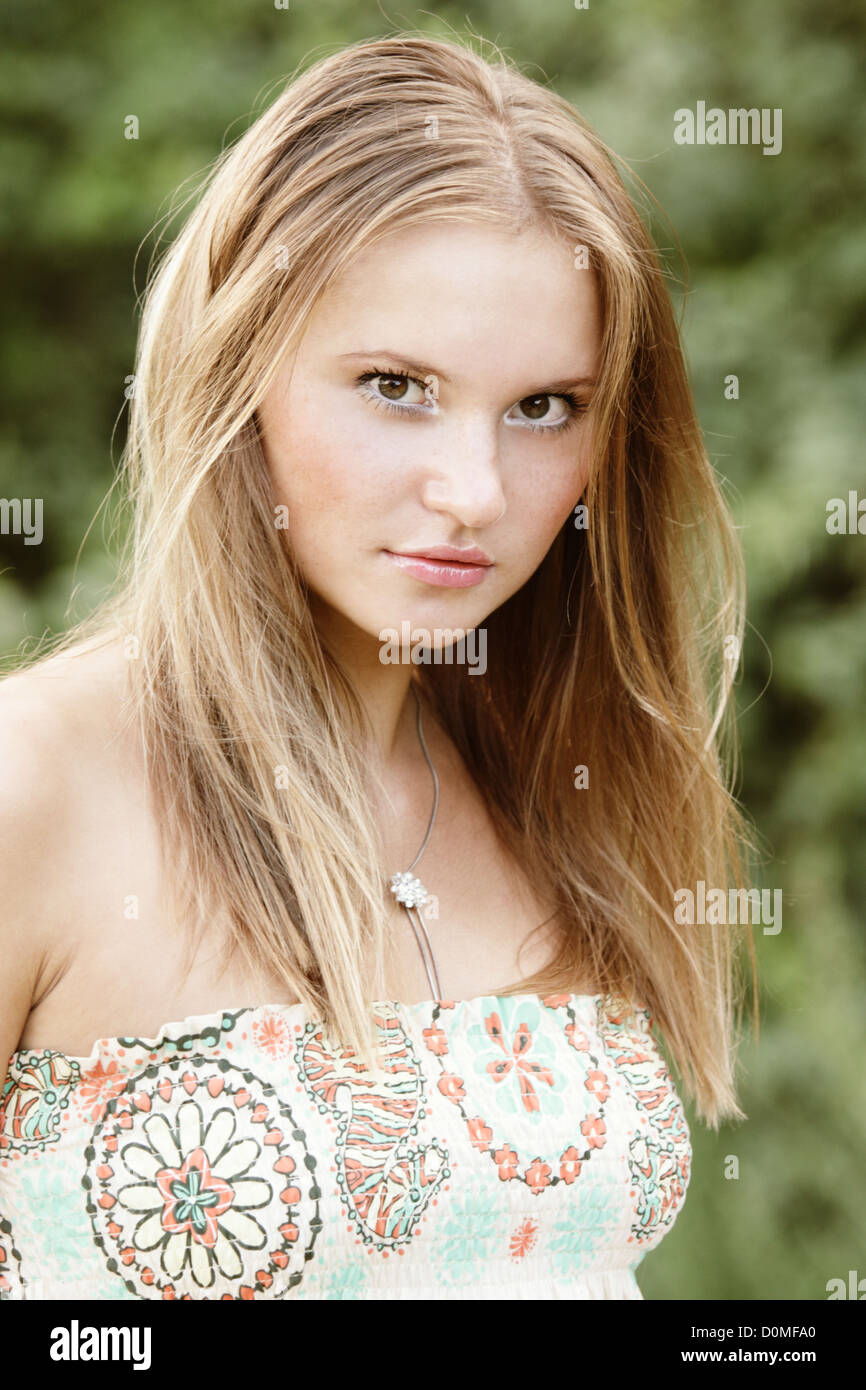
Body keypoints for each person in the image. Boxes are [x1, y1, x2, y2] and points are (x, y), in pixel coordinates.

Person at [0, 33, 755, 1301]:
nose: (472, 492)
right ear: (235, 372)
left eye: (542, 408)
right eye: (396, 386)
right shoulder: (38, 784)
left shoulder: (549, 780)